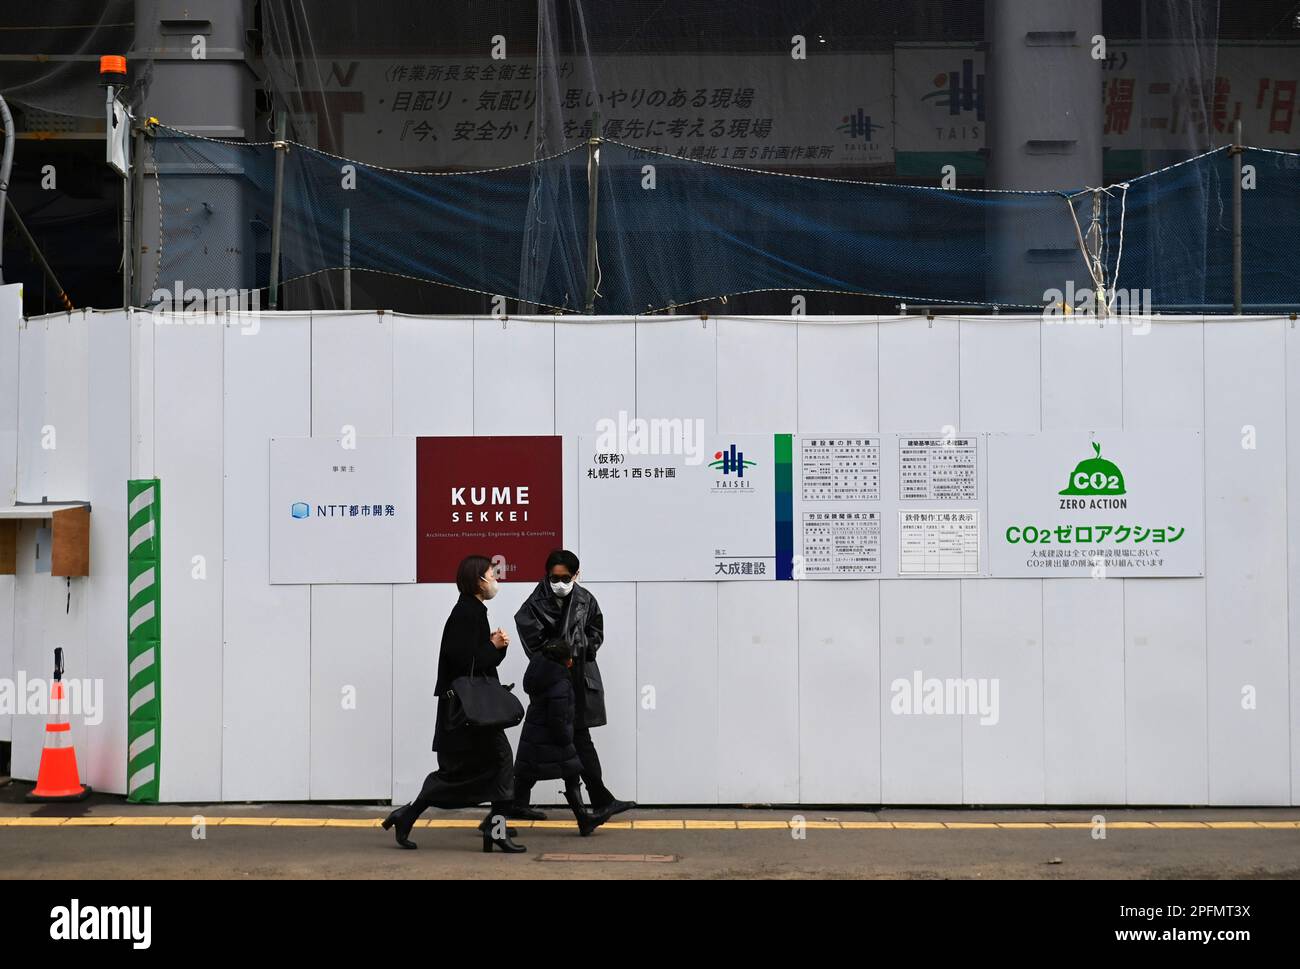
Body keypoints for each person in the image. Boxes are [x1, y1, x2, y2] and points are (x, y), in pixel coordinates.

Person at [382, 555, 526, 853]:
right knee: (493, 763)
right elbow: (465, 665)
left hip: (466, 710)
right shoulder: (467, 613)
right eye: (491, 574)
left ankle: (408, 815)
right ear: (478, 581)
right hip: (466, 711)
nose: (495, 580)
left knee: (469, 771)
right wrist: (494, 646)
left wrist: (490, 647)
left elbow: (471, 661)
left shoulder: (471, 611)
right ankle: (494, 831)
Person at [507, 549, 635, 820]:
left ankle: (518, 801)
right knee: (567, 741)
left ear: (577, 575)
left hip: (577, 680)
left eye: (566, 578)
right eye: (555, 578)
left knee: (546, 742)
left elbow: (595, 632)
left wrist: (581, 646)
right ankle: (598, 799)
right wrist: (563, 652)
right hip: (553, 682)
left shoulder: (586, 600)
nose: (560, 583)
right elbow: (536, 645)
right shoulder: (533, 605)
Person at [515, 637, 612, 835]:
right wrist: (565, 739)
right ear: (563, 660)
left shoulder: (539, 673)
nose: (572, 662)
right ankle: (493, 820)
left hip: (534, 737)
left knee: (563, 773)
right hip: (551, 738)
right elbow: (558, 717)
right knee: (566, 771)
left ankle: (584, 820)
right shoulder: (560, 682)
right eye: (569, 658)